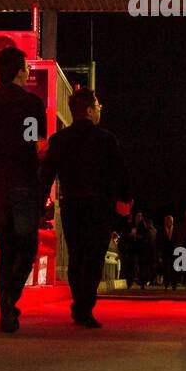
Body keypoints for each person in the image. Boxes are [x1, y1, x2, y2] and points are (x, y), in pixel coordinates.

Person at [40, 87, 132, 329]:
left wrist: (39, 200)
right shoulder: (106, 140)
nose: (101, 109)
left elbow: (47, 174)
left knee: (77, 256)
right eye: (98, 106)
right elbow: (121, 172)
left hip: (72, 205)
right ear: (89, 111)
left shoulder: (59, 140)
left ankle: (80, 305)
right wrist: (126, 199)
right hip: (100, 207)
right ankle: (84, 307)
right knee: (93, 259)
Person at [0, 47, 47, 333]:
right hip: (24, 181)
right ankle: (8, 300)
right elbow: (35, 140)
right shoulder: (31, 103)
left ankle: (6, 305)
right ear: (19, 71)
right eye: (27, 68)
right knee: (27, 247)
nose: (29, 72)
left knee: (6, 248)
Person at [158, 214, 180, 289]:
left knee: (174, 268)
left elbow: (178, 240)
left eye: (171, 221)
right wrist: (160, 252)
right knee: (166, 268)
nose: (169, 222)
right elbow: (159, 241)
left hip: (175, 251)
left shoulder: (176, 229)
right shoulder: (162, 230)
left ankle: (174, 284)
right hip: (165, 251)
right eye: (167, 221)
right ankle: (166, 284)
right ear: (165, 222)